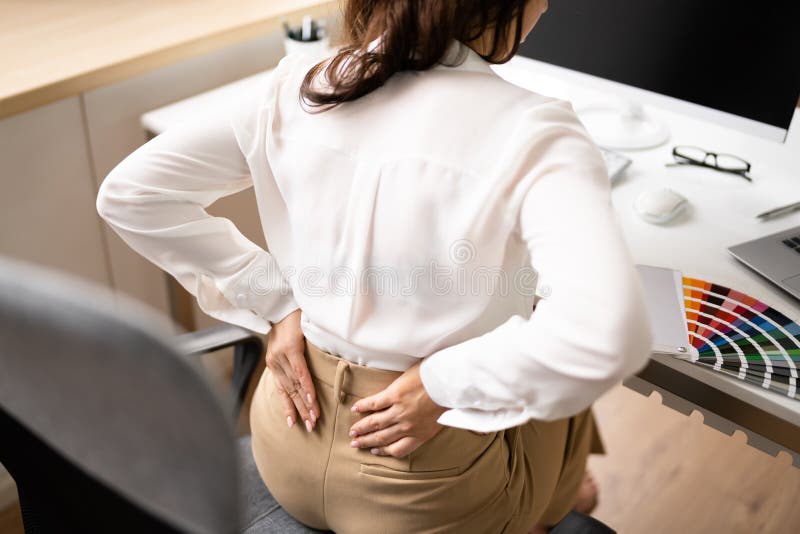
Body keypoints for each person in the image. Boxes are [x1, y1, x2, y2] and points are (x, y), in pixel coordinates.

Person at [96, 0, 654, 532]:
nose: (549, 7)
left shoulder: (298, 84)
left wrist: (277, 303)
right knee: (544, 345)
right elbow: (608, 335)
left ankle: (559, 489)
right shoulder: (537, 130)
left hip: (288, 436)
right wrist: (441, 385)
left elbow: (130, 195)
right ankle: (550, 509)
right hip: (424, 489)